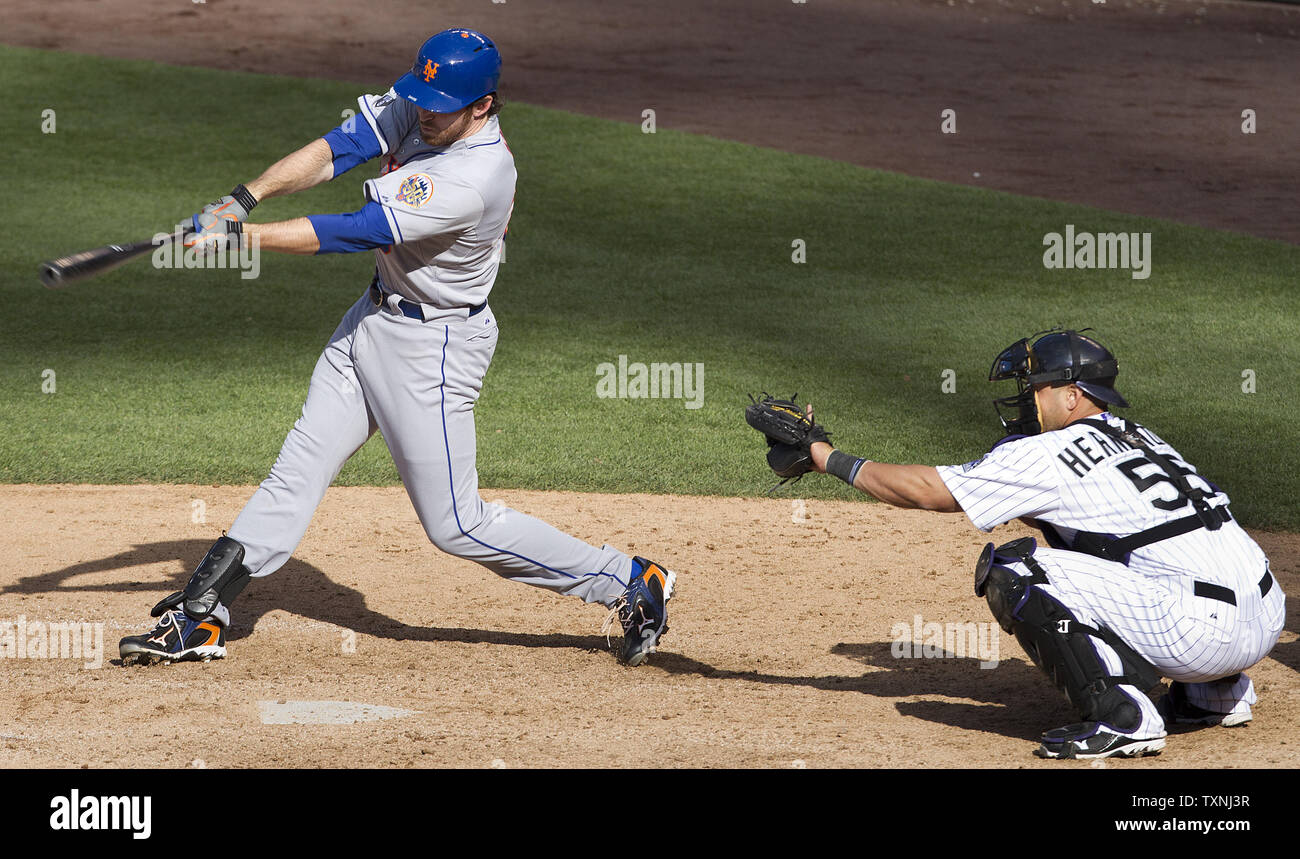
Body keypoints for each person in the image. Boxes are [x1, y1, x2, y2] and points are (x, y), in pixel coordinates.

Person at [118, 28, 674, 669]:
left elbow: (359, 232)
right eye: (424, 98)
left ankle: (630, 582)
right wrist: (243, 199)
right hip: (371, 321)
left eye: (442, 106)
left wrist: (239, 239)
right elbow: (342, 147)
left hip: (433, 349)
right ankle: (199, 614)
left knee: (455, 526)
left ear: (482, 106)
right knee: (298, 467)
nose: (426, 114)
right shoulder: (428, 105)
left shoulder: (476, 174)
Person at [803, 329, 1285, 759]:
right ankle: (1214, 697)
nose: (1026, 399)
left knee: (1016, 572)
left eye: (1036, 388)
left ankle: (1123, 718)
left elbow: (930, 491)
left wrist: (827, 459)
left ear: (1072, 396)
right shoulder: (1141, 437)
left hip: (1199, 637)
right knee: (1151, 552)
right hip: (1264, 621)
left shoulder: (1049, 452)